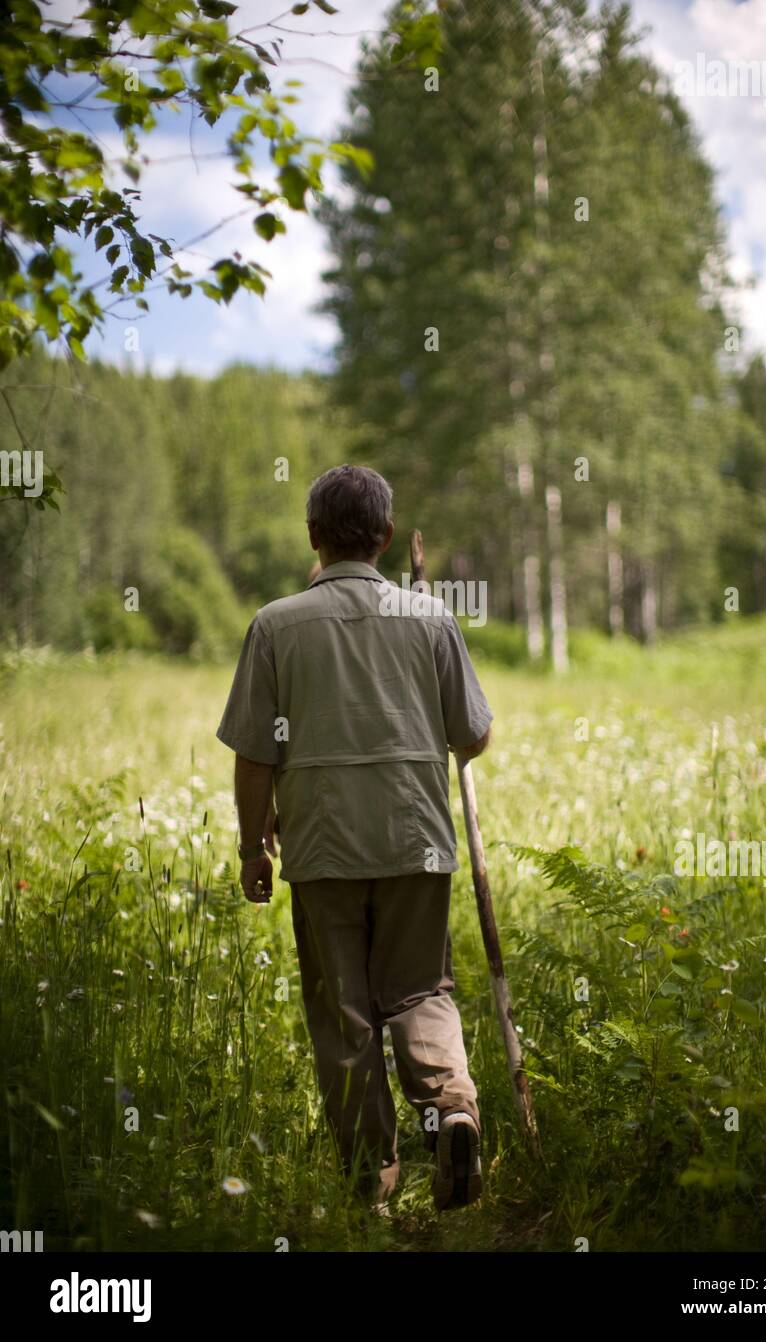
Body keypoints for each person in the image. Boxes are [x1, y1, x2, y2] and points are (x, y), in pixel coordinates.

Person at [216, 464, 493, 1210]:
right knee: (418, 990)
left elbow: (254, 755)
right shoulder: (430, 619)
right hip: (415, 841)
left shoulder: (276, 624)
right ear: (387, 537)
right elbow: (474, 735)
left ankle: (371, 1178)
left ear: (313, 537)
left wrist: (251, 847)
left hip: (322, 847)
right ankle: (451, 1109)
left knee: (344, 1011)